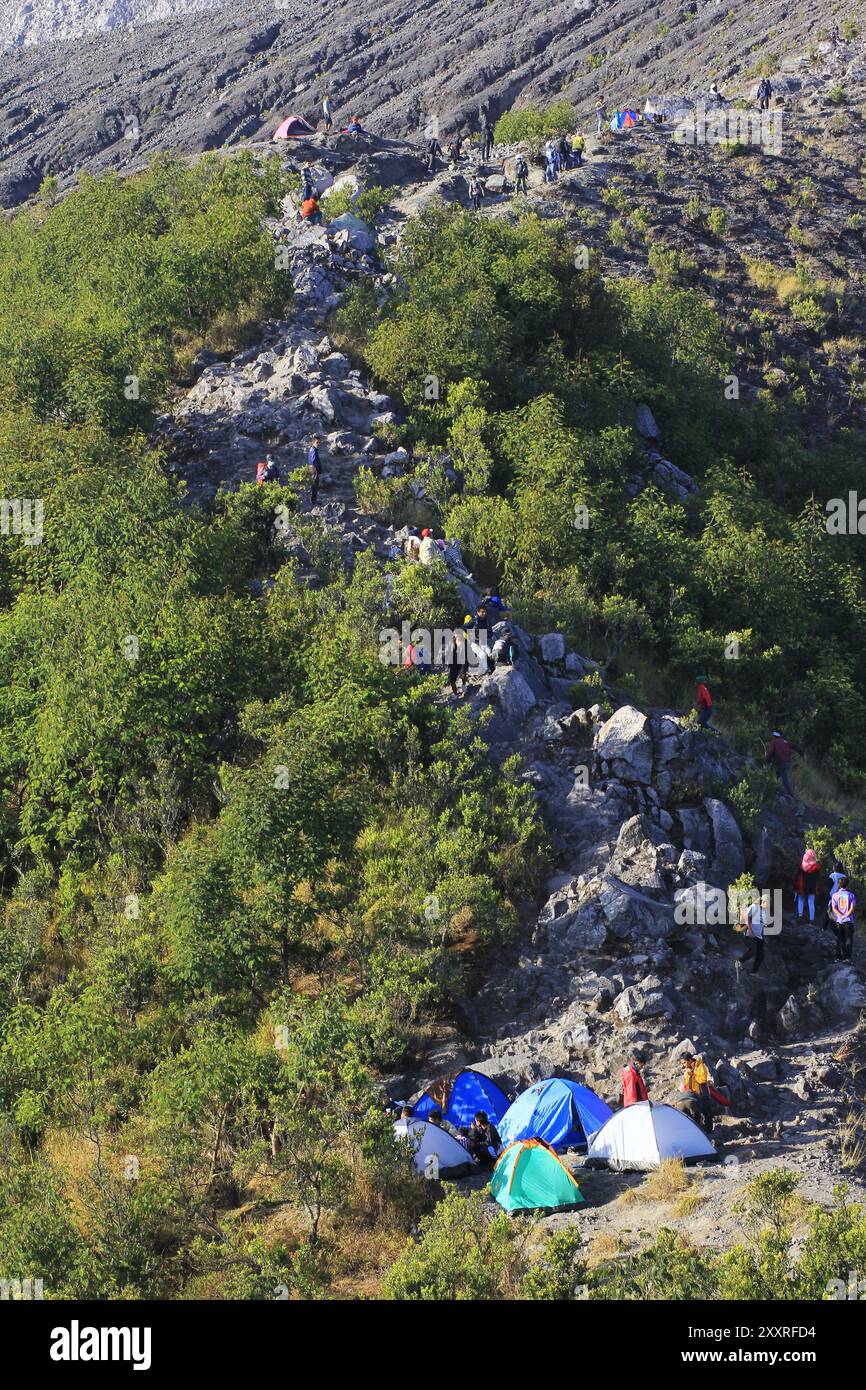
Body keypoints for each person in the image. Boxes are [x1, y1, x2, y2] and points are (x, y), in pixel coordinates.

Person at [680, 1053, 713, 1135]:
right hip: (693, 1095)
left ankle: (709, 1133)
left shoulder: (700, 1066)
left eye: (684, 1062)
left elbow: (702, 1079)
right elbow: (688, 1082)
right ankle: (699, 1133)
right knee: (695, 1114)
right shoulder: (688, 1069)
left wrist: (692, 1074)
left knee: (706, 1113)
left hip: (702, 1093)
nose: (683, 1065)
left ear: (689, 1060)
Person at [766, 729, 799, 796]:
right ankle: (777, 789)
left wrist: (767, 760)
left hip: (780, 763)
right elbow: (795, 746)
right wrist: (802, 753)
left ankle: (791, 796)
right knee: (779, 776)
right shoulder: (786, 742)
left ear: (774, 736)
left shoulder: (774, 742)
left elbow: (770, 753)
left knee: (784, 780)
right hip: (787, 763)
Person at [741, 893, 767, 974]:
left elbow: (761, 926)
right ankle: (739, 962)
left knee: (761, 956)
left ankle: (753, 973)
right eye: (767, 902)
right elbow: (746, 917)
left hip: (759, 936)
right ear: (763, 901)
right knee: (753, 950)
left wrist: (763, 937)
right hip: (750, 935)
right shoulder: (754, 907)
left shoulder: (764, 912)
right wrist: (750, 930)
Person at [830, 882, 856, 962]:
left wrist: (840, 916)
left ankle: (839, 957)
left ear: (839, 885)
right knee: (849, 939)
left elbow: (834, 908)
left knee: (840, 939)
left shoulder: (834, 895)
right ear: (847, 885)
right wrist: (846, 916)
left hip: (839, 921)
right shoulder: (851, 895)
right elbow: (852, 907)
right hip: (849, 921)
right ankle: (847, 958)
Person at [796, 848, 820, 923]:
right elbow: (818, 878)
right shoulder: (816, 867)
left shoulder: (802, 865)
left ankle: (800, 916)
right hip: (812, 887)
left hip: (802, 886)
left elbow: (797, 876)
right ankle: (811, 919)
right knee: (811, 902)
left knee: (800, 900)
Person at [307, 434, 321, 504]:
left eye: (319, 442)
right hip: (314, 469)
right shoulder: (313, 450)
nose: (318, 444)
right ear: (313, 442)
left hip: (312, 468)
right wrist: (318, 469)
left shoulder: (312, 449)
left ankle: (313, 500)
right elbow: (313, 461)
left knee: (314, 485)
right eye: (317, 442)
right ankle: (313, 501)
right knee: (314, 485)